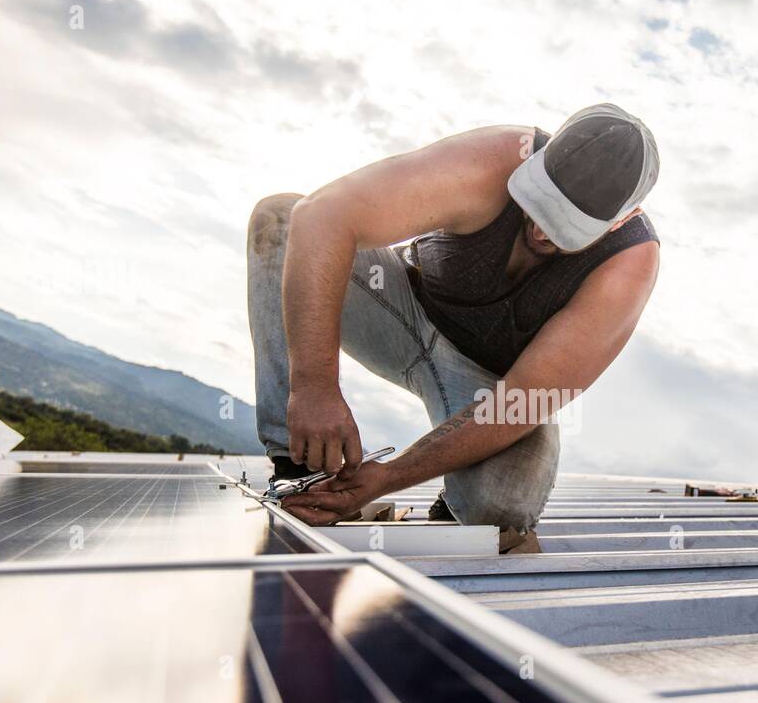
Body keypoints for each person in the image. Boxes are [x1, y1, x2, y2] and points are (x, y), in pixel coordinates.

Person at [246, 103, 660, 551]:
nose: (541, 231)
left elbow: (521, 404)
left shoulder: (627, 266)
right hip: (400, 312)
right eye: (540, 202)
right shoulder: (496, 156)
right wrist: (313, 386)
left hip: (494, 388)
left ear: (619, 219)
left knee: (498, 515)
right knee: (283, 222)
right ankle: (301, 470)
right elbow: (322, 215)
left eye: (567, 226)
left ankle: (456, 500)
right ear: (539, 161)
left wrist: (388, 477)